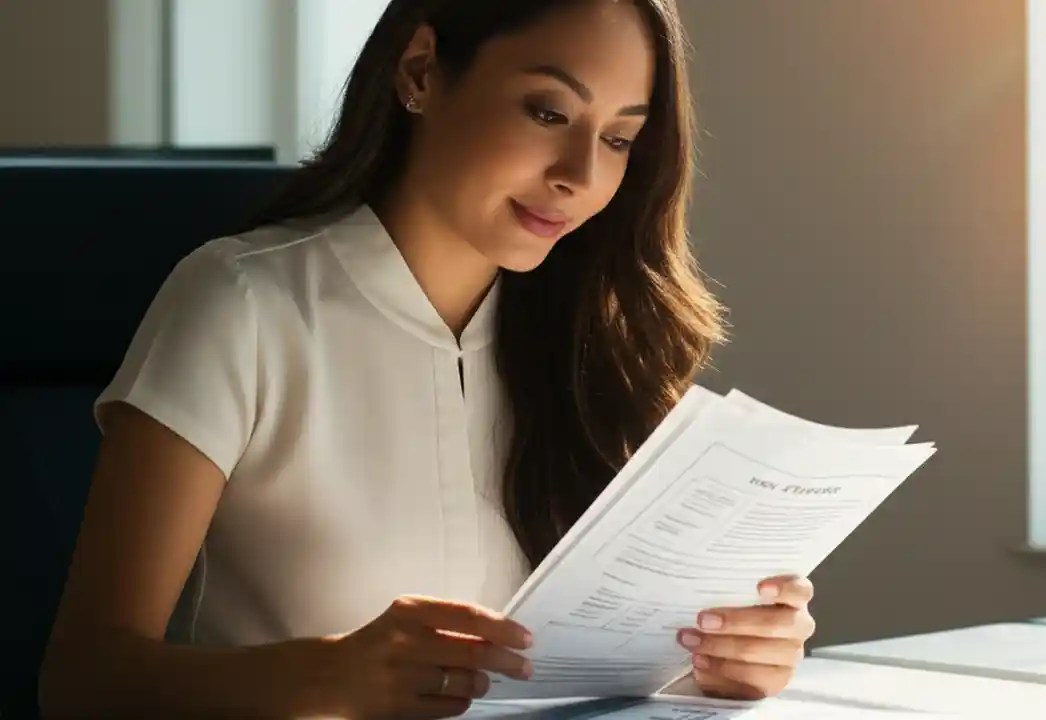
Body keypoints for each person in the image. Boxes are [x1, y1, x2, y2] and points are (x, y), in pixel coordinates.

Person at [39, 1, 817, 717]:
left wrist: (716, 658)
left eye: (617, 139)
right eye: (548, 111)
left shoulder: (599, 344)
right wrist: (329, 675)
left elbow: (586, 671)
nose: (579, 177)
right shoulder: (243, 303)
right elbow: (81, 683)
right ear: (419, 72)